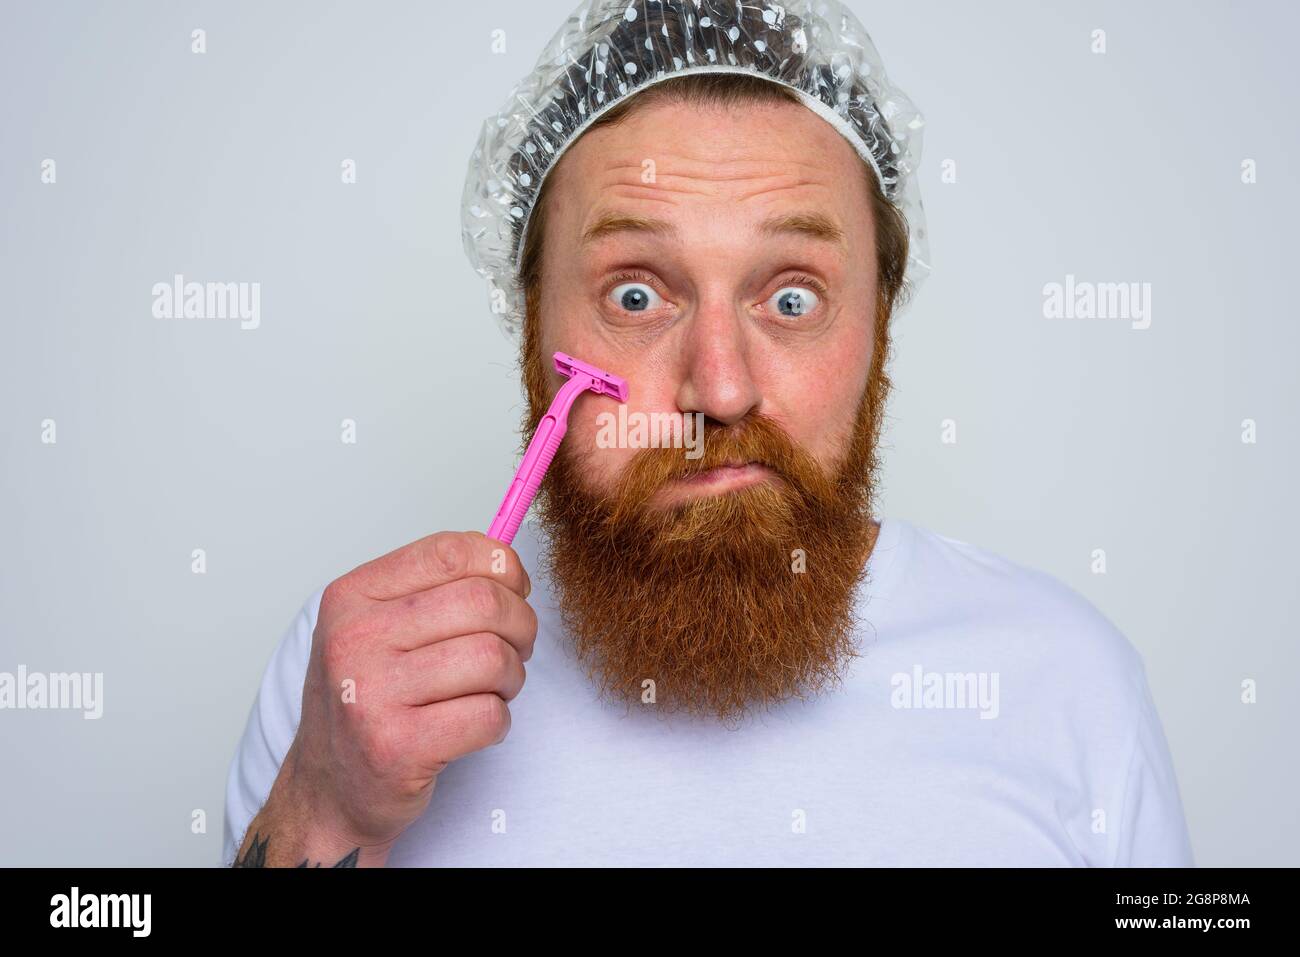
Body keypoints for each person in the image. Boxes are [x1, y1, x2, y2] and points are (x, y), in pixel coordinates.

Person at [223, 0, 1194, 867]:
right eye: (636, 294)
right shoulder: (353, 679)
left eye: (791, 295)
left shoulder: (1062, 683)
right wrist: (328, 812)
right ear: (532, 326)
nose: (719, 389)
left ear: (880, 326)